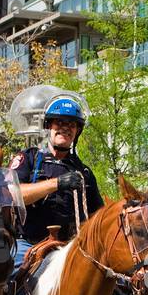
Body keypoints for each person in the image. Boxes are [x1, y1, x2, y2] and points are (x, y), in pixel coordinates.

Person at [10, 90, 104, 266]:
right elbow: (13, 195)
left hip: (71, 247)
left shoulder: (84, 172)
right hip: (29, 243)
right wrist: (57, 183)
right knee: (6, 281)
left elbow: (96, 217)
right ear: (49, 126)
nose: (65, 128)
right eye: (59, 122)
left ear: (77, 132)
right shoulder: (28, 158)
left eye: (72, 125)